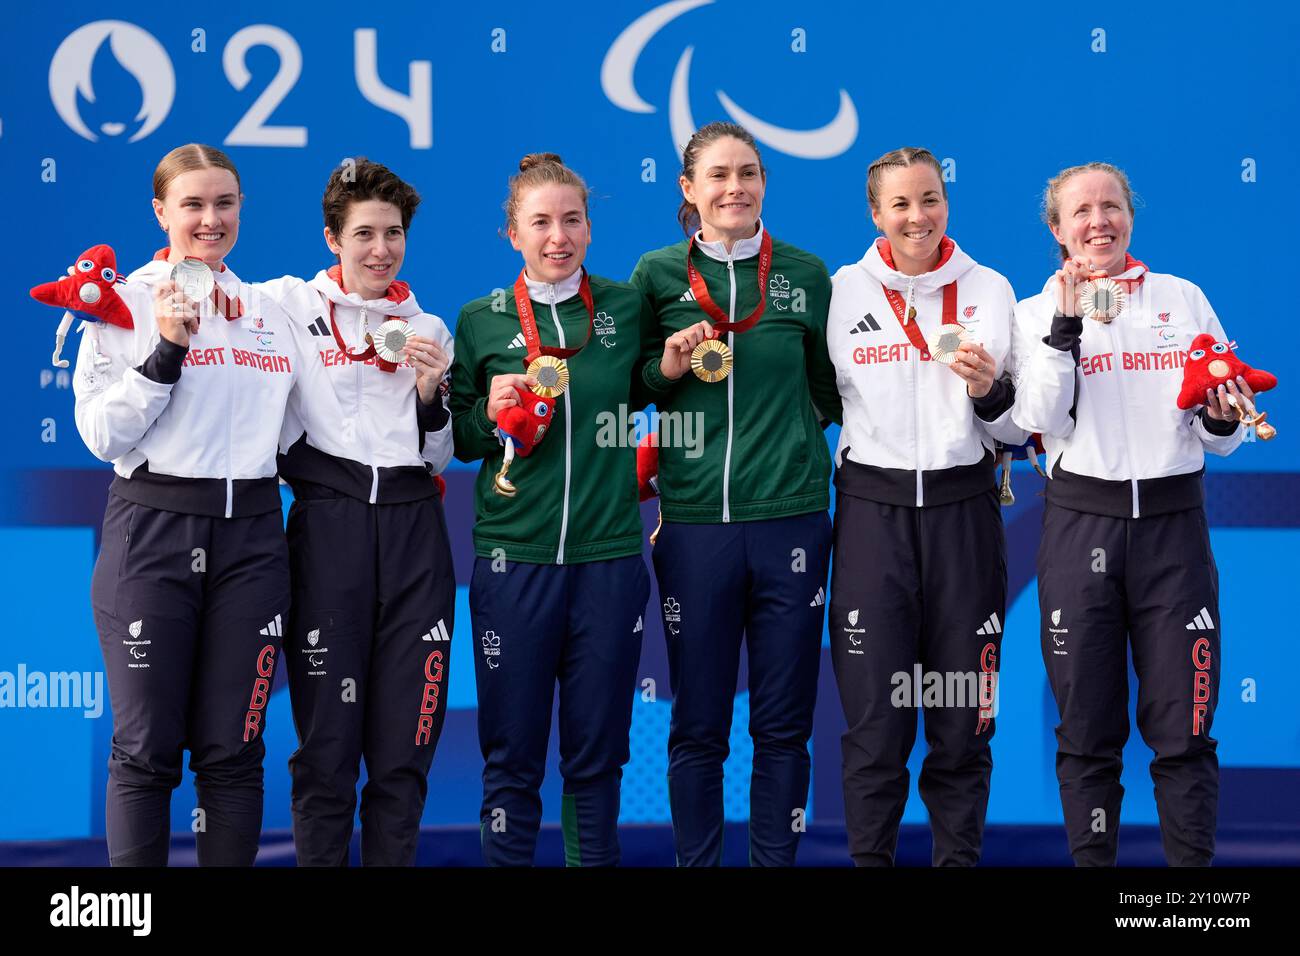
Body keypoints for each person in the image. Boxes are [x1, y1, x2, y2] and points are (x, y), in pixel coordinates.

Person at [73, 143, 331, 866]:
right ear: (161, 211)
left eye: (224, 203)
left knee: (234, 750)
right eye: (192, 204)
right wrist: (165, 351)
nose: (210, 219)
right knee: (147, 751)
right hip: (151, 535)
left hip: (251, 540)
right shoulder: (125, 301)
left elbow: (300, 433)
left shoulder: (268, 311)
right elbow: (100, 434)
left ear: (242, 208)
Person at [1012, 162, 1250, 866]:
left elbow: (1225, 433)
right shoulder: (1031, 313)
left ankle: (1188, 896)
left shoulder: (1182, 299)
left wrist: (1217, 413)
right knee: (1086, 728)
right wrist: (1063, 328)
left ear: (1131, 217)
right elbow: (1036, 417)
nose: (1098, 223)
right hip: (1080, 525)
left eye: (1111, 207)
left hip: (1174, 531)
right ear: (1057, 229)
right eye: (1080, 212)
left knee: (1186, 728)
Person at [630, 121, 842, 867]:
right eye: (717, 176)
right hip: (695, 527)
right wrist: (669, 367)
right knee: (698, 725)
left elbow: (825, 391)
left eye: (748, 173)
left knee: (784, 725)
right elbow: (634, 388)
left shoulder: (808, 274)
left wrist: (779, 446)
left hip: (790, 520)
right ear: (689, 189)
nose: (735, 188)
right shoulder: (655, 275)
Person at [449, 153, 667, 866]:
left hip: (608, 562)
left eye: (571, 220)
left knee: (596, 761)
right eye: (540, 222)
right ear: (513, 232)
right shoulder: (480, 321)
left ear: (590, 228)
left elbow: (651, 392)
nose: (558, 236)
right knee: (511, 760)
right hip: (514, 564)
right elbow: (459, 438)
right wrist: (491, 410)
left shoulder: (626, 307)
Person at [826, 146, 1026, 866]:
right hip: (872, 519)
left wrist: (988, 394)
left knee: (963, 723)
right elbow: (816, 401)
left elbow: (1014, 429)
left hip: (962, 517)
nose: (919, 217)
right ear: (876, 213)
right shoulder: (843, 291)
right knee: (876, 729)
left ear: (947, 202)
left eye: (931, 199)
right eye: (902, 204)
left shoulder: (991, 289)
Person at [256, 158, 456, 866]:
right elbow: (206, 273)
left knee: (405, 752)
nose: (381, 249)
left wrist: (433, 395)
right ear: (331, 238)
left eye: (394, 233)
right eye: (364, 233)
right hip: (329, 527)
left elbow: (438, 455)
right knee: (327, 750)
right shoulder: (285, 304)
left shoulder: (426, 323)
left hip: (413, 534)